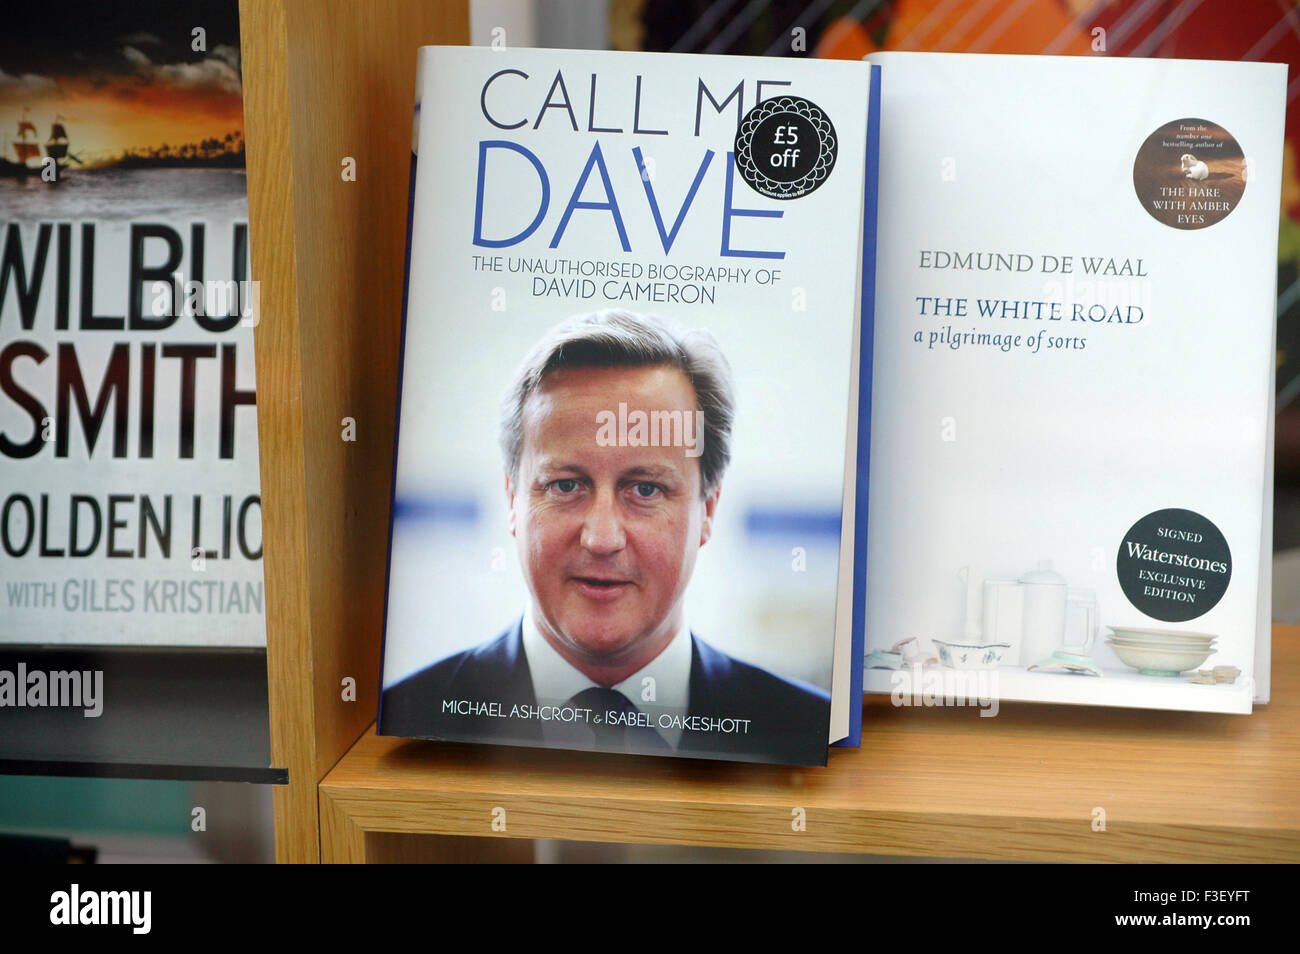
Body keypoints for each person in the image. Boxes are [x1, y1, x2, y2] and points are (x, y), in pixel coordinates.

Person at [380, 310, 829, 764]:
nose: (601, 538)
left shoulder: (803, 731)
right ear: (512, 496)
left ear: (708, 508)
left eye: (646, 488)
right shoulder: (408, 727)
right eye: (566, 485)